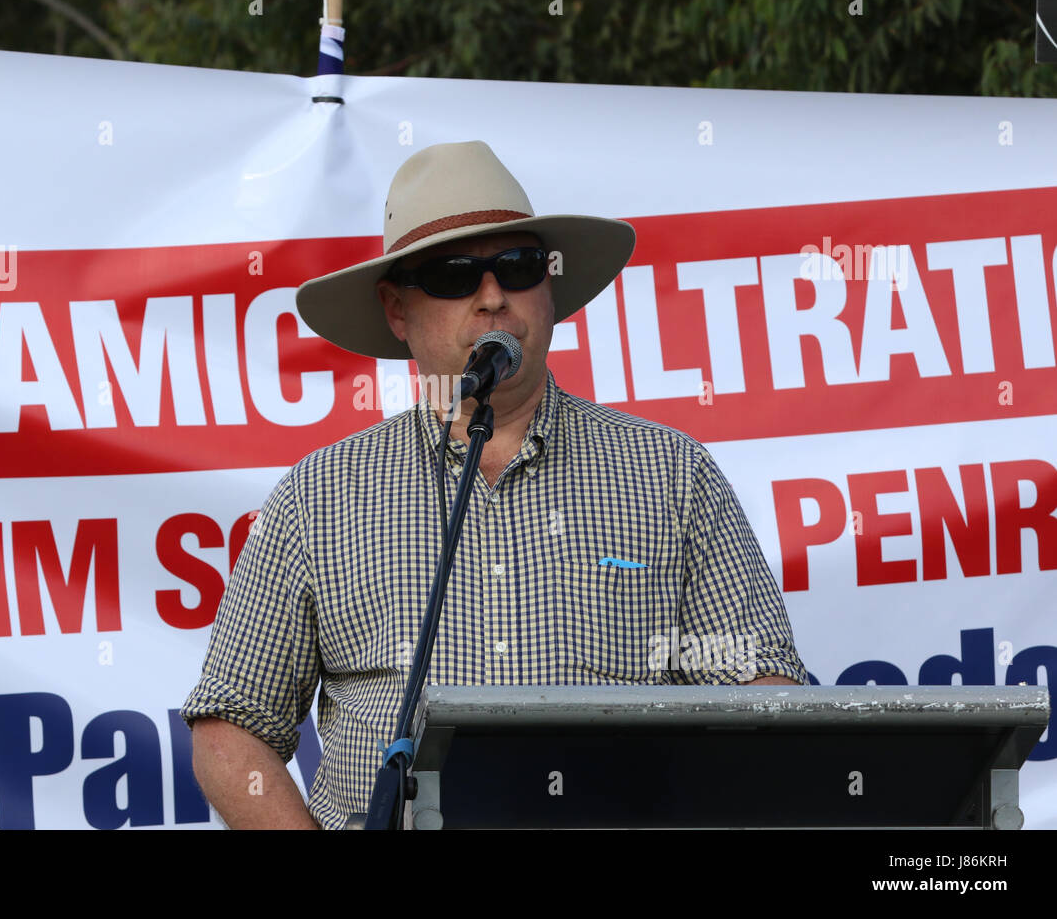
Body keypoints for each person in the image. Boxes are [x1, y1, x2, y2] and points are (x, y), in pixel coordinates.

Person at [181, 140, 808, 830]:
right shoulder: (319, 496)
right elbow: (231, 724)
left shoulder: (671, 473)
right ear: (396, 309)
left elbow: (764, 696)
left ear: (549, 287)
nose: (492, 296)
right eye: (453, 276)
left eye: (518, 266)